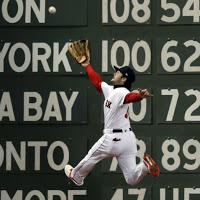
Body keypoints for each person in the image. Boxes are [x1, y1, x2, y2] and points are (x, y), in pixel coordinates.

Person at [64, 58, 159, 186]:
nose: (115, 73)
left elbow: (128, 97)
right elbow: (98, 82)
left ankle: (76, 175)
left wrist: (139, 96)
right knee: (131, 179)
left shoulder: (121, 92)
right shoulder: (112, 90)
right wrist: (87, 65)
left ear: (124, 79)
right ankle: (145, 167)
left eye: (118, 72)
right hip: (128, 139)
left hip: (113, 138)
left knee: (91, 156)